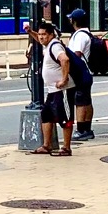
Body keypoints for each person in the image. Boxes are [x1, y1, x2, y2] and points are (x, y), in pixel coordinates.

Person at [29, 24, 74, 157]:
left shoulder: (55, 46)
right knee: (46, 115)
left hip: (63, 89)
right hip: (53, 90)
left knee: (65, 118)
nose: (41, 37)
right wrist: (31, 32)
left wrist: (64, 79)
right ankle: (46, 145)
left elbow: (65, 60)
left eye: (44, 34)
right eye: (40, 34)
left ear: (51, 35)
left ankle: (66, 148)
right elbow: (39, 39)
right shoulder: (48, 45)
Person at [67, 9, 95, 142]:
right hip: (86, 72)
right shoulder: (86, 33)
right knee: (87, 101)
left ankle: (81, 130)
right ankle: (87, 129)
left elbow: (76, 54)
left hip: (80, 73)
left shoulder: (80, 36)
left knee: (80, 102)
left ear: (74, 21)